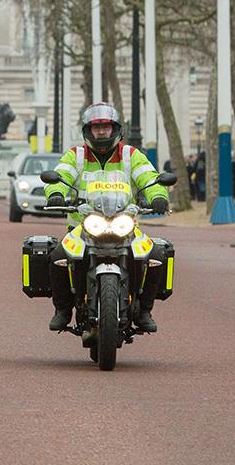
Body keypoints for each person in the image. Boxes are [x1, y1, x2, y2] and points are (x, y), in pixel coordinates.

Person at [43, 102, 170, 334]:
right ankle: (62, 310)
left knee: (156, 255)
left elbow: (149, 178)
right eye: (96, 127)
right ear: (87, 131)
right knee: (56, 257)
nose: (101, 132)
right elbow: (60, 176)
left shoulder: (131, 155)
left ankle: (144, 311)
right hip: (82, 228)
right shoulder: (76, 156)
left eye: (106, 127)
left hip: (126, 227)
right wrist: (56, 194)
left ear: (116, 129)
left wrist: (158, 196)